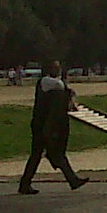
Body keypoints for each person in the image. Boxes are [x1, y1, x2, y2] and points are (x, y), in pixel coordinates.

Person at [18, 61, 87, 194]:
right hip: (43, 126)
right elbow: (61, 86)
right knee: (44, 154)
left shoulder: (47, 83)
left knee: (40, 155)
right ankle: (72, 179)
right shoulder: (47, 81)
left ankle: (72, 180)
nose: (59, 70)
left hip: (43, 124)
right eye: (57, 68)